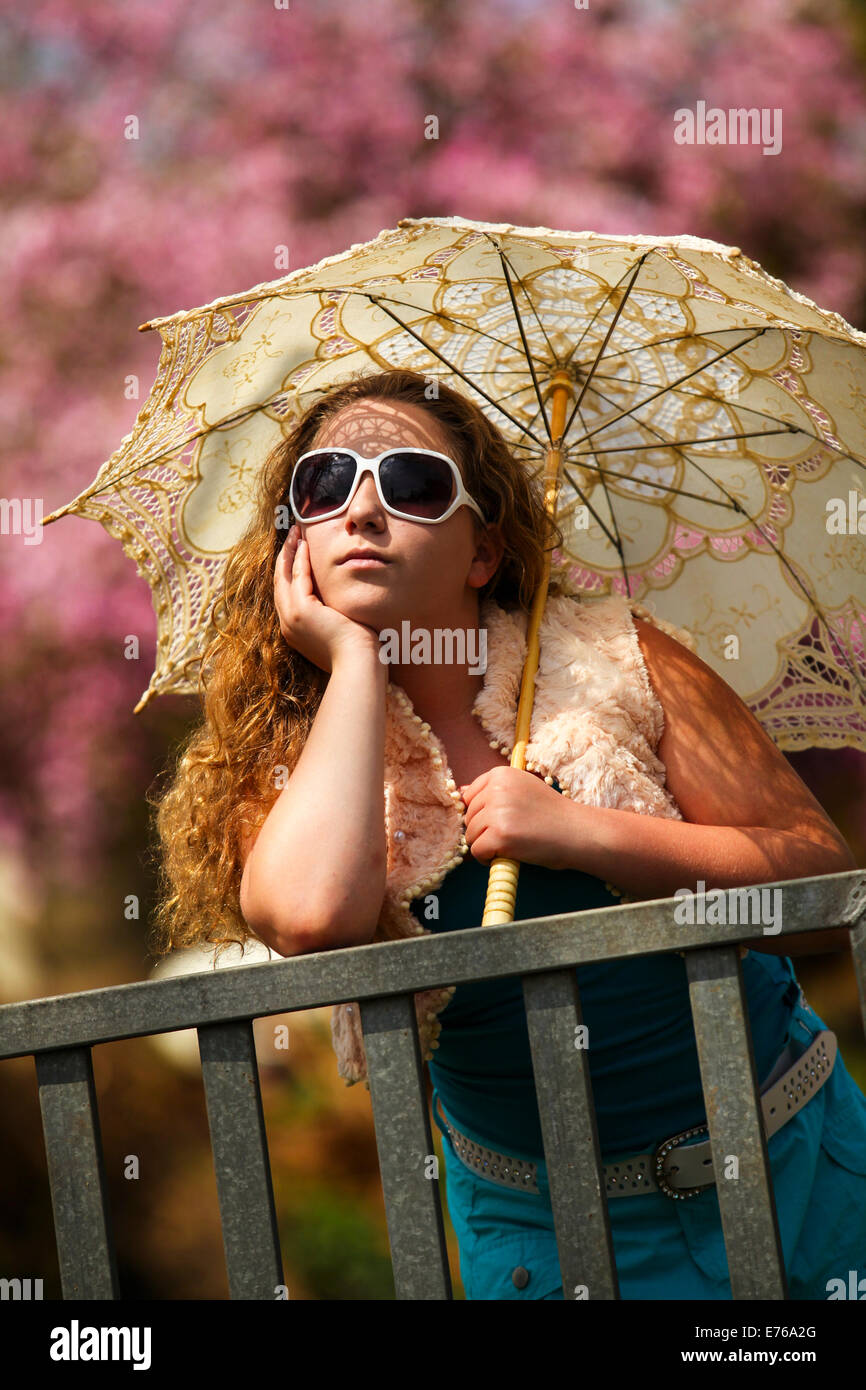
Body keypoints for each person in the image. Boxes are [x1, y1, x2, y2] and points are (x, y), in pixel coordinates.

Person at [147, 366, 866, 1301]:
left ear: (483, 553)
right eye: (325, 484)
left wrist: (585, 833)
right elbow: (313, 921)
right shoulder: (280, 744)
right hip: (548, 1241)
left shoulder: (619, 655)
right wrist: (356, 665)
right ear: (297, 544)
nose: (363, 512)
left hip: (794, 1170)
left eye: (411, 484)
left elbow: (819, 882)